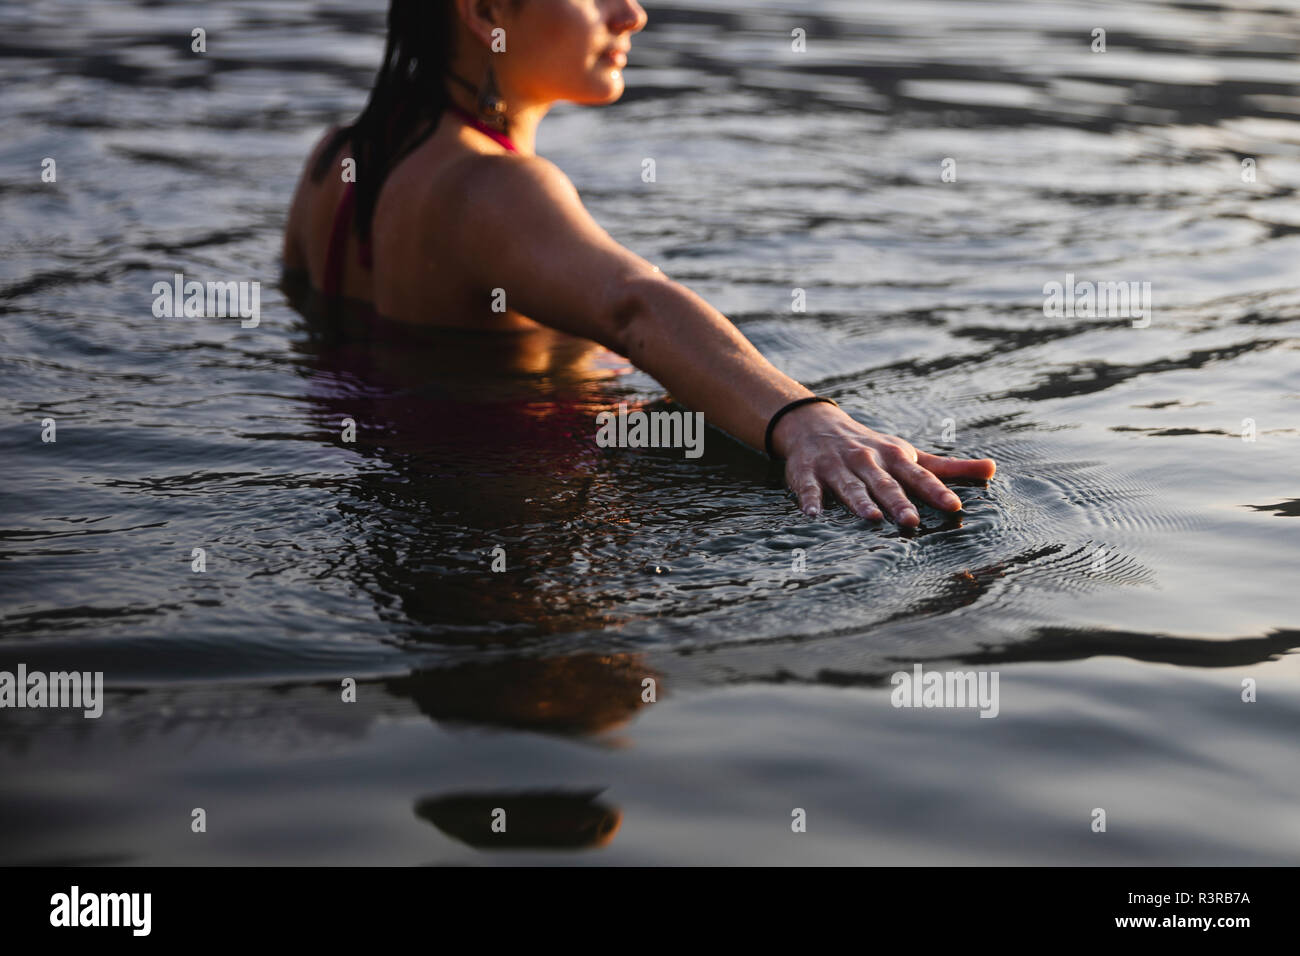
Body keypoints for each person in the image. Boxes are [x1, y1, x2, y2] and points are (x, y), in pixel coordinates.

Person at [282, 0, 996, 527]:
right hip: (529, 514)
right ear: (487, 11)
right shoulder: (494, 184)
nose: (632, 14)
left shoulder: (335, 161)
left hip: (399, 507)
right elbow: (630, 302)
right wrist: (806, 419)